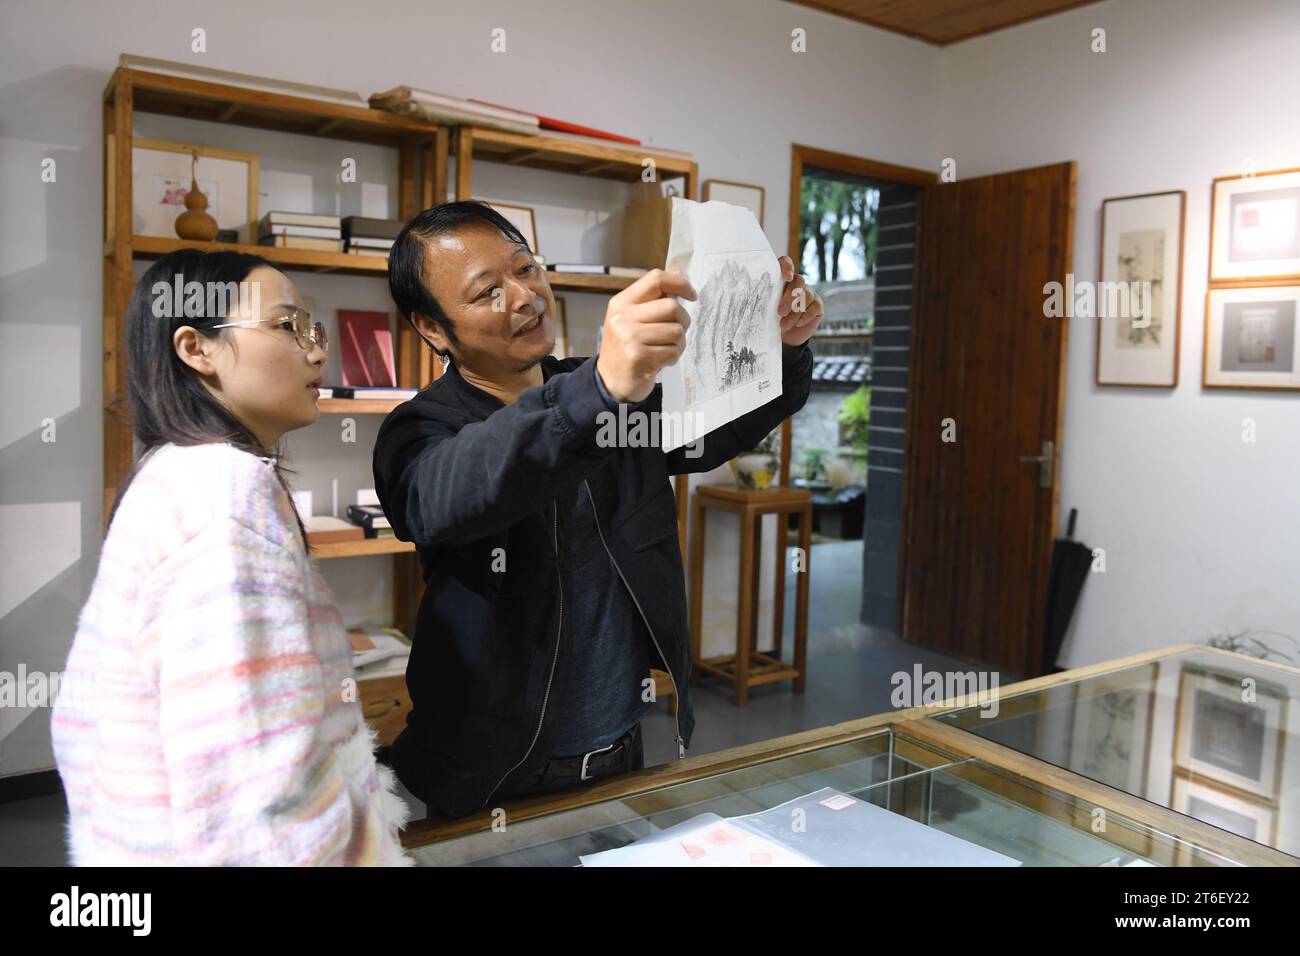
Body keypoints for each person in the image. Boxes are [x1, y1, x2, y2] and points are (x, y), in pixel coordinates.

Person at [374, 201, 822, 819]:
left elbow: (709, 432)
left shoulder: (607, 390)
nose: (525, 297)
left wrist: (786, 349)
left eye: (526, 268)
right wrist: (601, 390)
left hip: (618, 745)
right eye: (487, 292)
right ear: (432, 327)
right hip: (489, 770)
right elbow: (446, 494)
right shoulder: (420, 430)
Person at [51, 248, 413, 865]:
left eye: (313, 330)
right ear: (197, 348)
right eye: (286, 326)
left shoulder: (175, 474)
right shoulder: (225, 495)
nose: (316, 352)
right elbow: (259, 798)